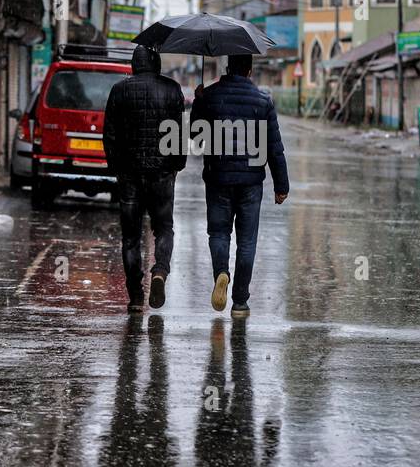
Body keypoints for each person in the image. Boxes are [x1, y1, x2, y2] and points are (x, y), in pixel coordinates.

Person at [191, 54, 289, 319]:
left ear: (226, 68)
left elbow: (196, 137)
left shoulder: (210, 96)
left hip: (218, 178)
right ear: (249, 70)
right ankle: (240, 303)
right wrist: (281, 186)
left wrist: (199, 103)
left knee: (219, 234)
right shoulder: (262, 100)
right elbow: (274, 148)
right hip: (250, 182)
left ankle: (221, 272)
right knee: (247, 242)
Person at [103, 45, 186, 312]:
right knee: (163, 228)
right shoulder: (173, 90)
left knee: (130, 237)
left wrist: (116, 167)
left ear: (134, 64)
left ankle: (136, 296)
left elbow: (110, 134)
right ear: (158, 63)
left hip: (129, 175)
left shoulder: (119, 90)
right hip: (162, 174)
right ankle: (160, 270)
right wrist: (177, 164)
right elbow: (179, 135)